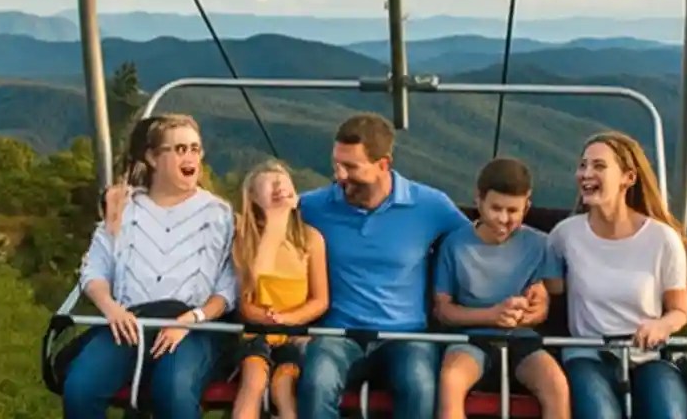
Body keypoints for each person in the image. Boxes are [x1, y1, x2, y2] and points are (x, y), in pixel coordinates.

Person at [295, 112, 471, 419]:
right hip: (339, 333)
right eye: (337, 164)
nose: (340, 176)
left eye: (351, 166)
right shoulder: (314, 206)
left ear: (383, 164)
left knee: (419, 387)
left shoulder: (429, 205)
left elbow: (480, 245)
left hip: (405, 336)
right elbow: (260, 229)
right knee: (317, 383)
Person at [63, 114, 239, 419]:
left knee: (173, 389)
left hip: (192, 328)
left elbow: (229, 286)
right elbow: (95, 269)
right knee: (80, 388)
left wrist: (191, 319)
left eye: (195, 149)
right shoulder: (125, 210)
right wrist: (111, 308)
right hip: (131, 321)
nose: (190, 157)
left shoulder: (219, 215)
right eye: (180, 149)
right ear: (153, 157)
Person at [544, 131, 687, 419]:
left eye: (599, 166)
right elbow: (549, 289)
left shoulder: (662, 240)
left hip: (647, 355)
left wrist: (660, 326)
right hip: (588, 354)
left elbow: (679, 311)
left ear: (628, 177)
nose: (586, 173)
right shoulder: (565, 235)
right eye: (583, 165)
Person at [433, 157, 570, 419]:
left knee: (556, 386)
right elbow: (443, 310)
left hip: (521, 337)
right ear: (479, 201)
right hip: (470, 339)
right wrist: (492, 315)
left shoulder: (540, 244)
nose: (503, 220)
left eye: (513, 211)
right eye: (496, 209)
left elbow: (553, 292)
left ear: (526, 207)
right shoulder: (454, 245)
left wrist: (540, 303)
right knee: (451, 381)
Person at [231, 158, 329, 419]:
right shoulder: (244, 238)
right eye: (269, 185)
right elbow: (245, 297)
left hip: (295, 331)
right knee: (253, 380)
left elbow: (319, 299)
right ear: (252, 198)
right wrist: (265, 319)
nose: (278, 187)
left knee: (283, 386)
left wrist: (287, 320)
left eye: (283, 182)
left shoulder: (310, 239)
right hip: (257, 331)